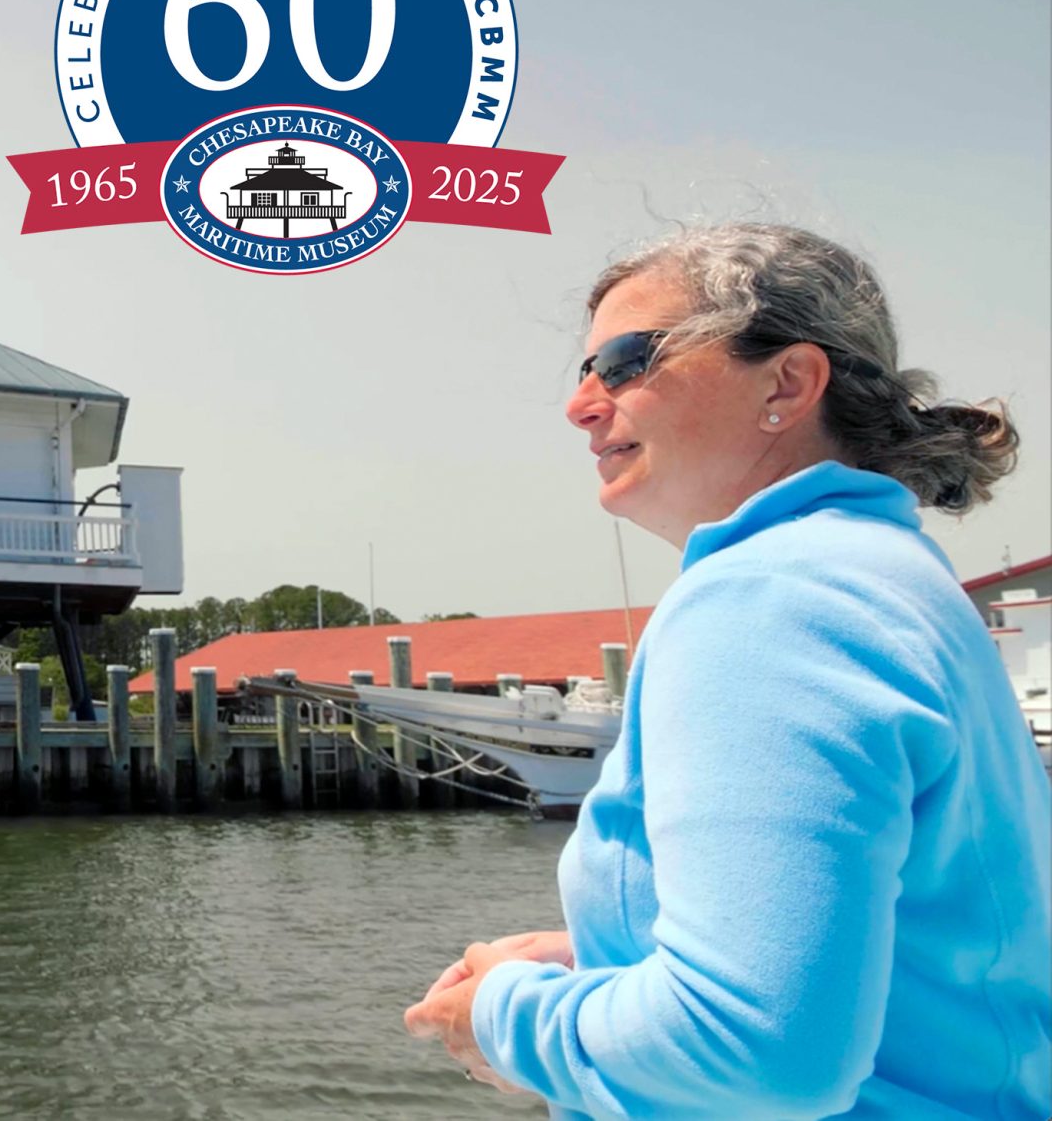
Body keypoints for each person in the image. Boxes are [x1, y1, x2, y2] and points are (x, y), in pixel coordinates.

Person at [403, 223, 1051, 1118]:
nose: (583, 404)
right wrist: (606, 957)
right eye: (584, 372)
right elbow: (916, 954)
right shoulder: (887, 575)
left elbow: (760, 1048)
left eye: (627, 361)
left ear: (786, 383)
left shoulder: (771, 597)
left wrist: (504, 1016)